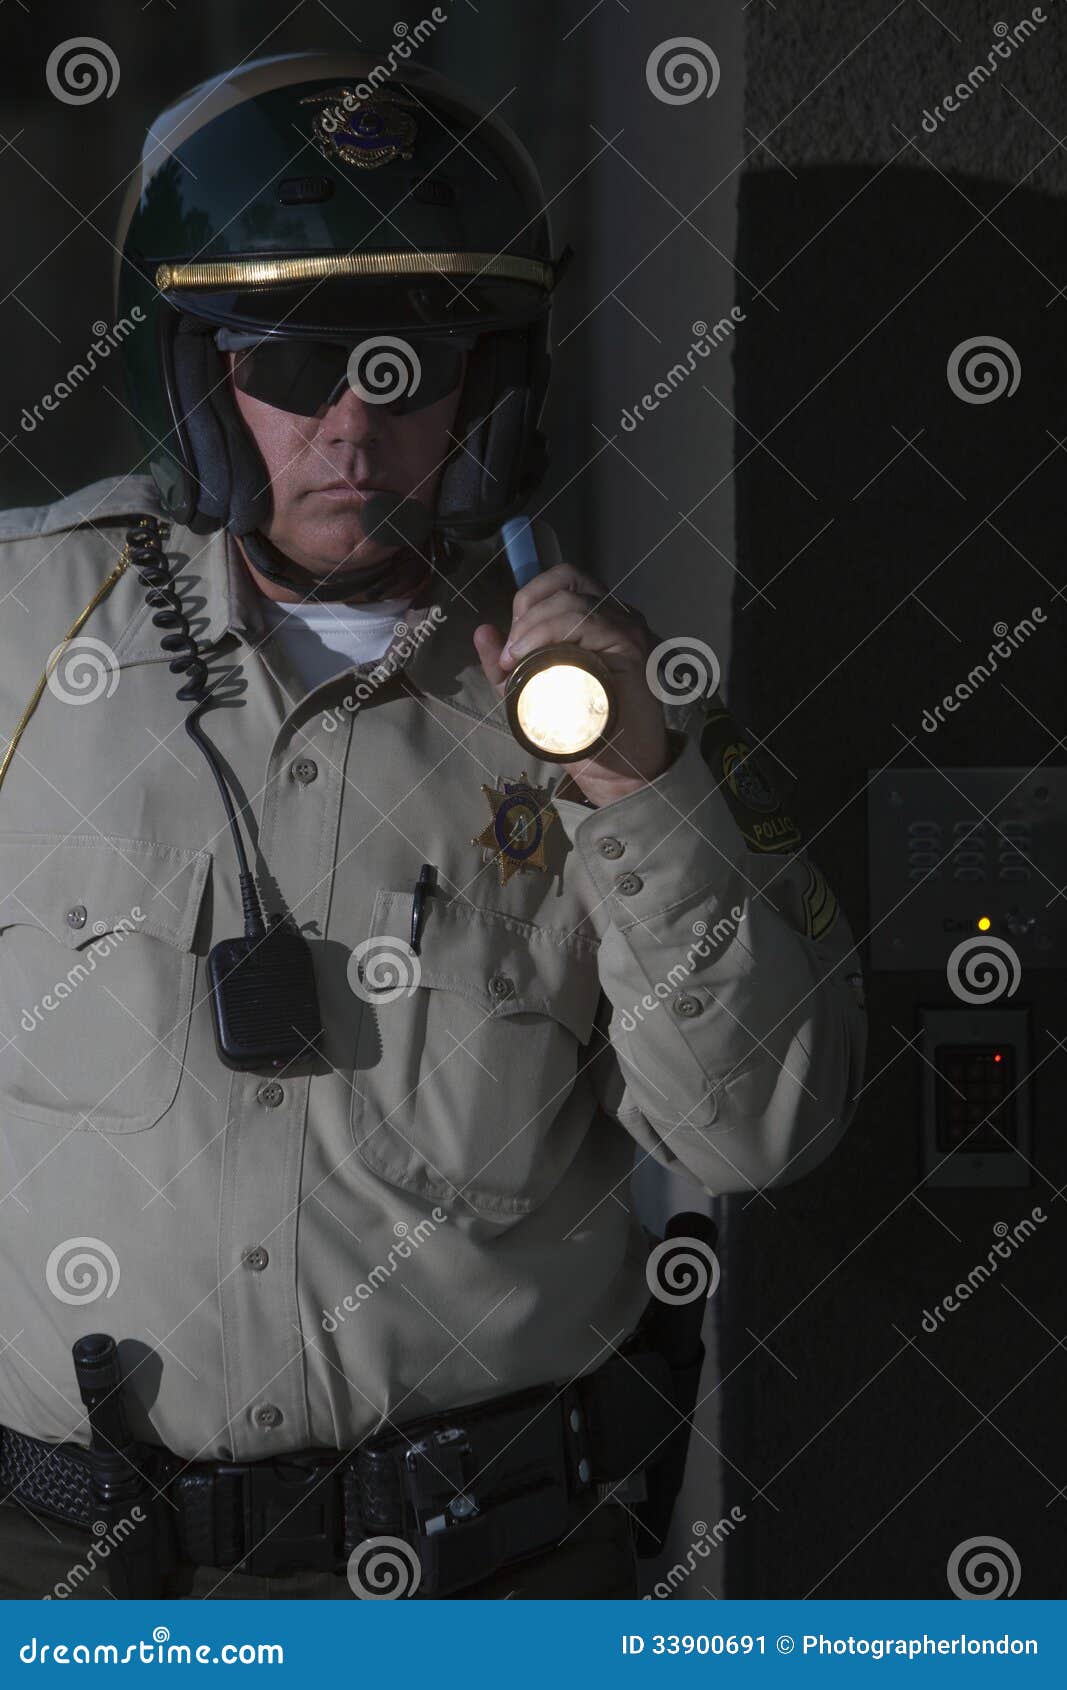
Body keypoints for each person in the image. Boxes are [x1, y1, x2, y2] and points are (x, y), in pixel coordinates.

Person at [0, 50, 866, 1600]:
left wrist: (636, 785)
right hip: (68, 1565)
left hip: (486, 1571)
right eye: (293, 361)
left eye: (407, 356)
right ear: (194, 373)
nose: (356, 419)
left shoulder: (614, 704)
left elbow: (762, 1130)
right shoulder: (21, 639)